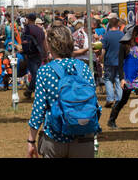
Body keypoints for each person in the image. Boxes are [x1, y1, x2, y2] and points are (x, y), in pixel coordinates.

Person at [26, 23, 99, 159]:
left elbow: (39, 110)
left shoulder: (45, 71)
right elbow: (93, 101)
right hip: (83, 136)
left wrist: (31, 140)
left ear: (50, 45)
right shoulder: (83, 67)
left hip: (55, 138)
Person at [107, 24, 138, 131]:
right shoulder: (123, 45)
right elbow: (120, 63)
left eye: (135, 31)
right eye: (133, 31)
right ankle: (111, 120)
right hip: (128, 76)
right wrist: (122, 78)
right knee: (124, 100)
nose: (135, 33)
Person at [100, 18, 123, 105]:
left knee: (108, 79)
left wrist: (100, 58)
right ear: (117, 24)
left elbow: (103, 49)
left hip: (109, 61)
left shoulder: (106, 35)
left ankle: (110, 98)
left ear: (109, 24)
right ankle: (119, 99)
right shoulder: (121, 34)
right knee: (118, 79)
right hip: (120, 61)